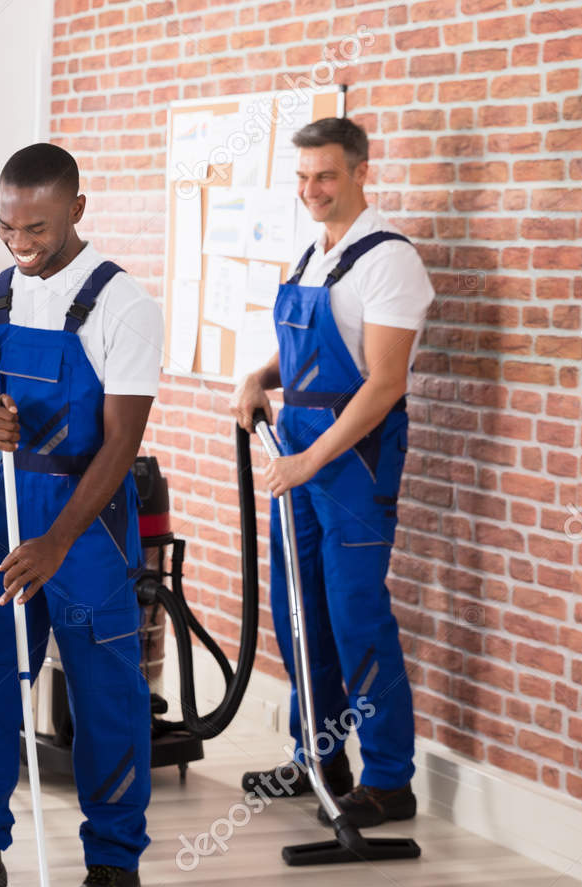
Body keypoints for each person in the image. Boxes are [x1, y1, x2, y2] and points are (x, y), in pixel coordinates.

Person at [0, 144, 161, 887]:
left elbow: (121, 444)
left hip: (86, 523)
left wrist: (58, 542)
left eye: (36, 226)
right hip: (10, 510)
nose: (20, 241)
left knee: (105, 690)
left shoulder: (123, 304)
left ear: (77, 210)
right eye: (7, 226)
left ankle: (114, 862)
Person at [230, 117, 432, 827]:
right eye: (302, 176)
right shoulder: (314, 255)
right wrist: (259, 377)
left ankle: (389, 780)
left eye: (326, 175)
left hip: (354, 464)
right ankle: (317, 758)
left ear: (360, 172)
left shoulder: (389, 261)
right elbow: (304, 357)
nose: (311, 189)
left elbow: (384, 383)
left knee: (356, 615)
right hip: (299, 451)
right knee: (299, 610)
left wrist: (310, 460)